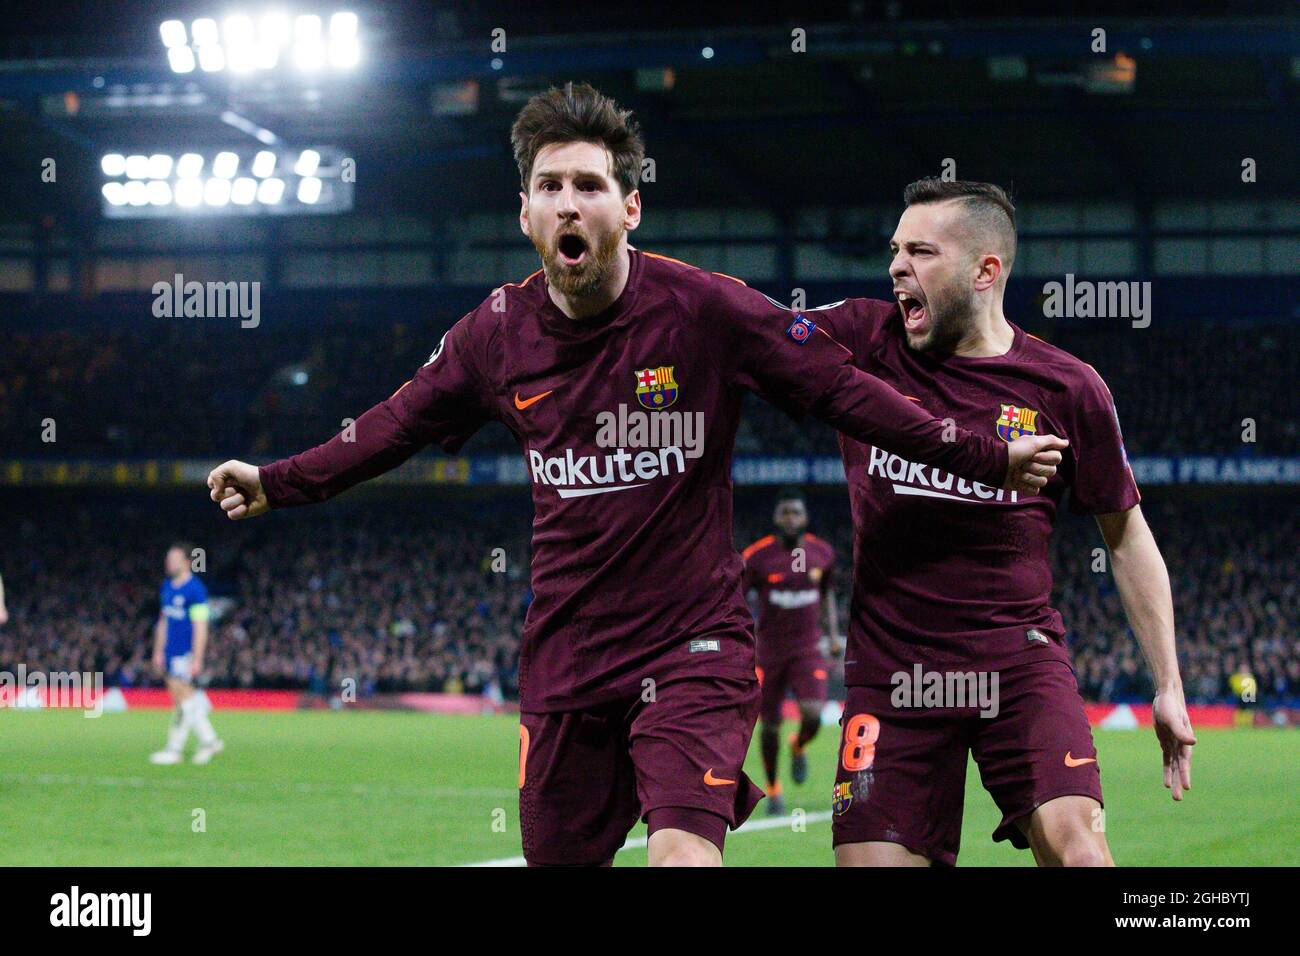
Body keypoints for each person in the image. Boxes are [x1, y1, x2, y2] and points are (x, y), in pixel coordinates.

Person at [206, 85, 1064, 867]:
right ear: (525, 214)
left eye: (588, 185)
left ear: (630, 207)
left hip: (693, 648)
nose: (568, 203)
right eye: (550, 187)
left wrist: (984, 452)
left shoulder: (706, 309)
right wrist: (281, 481)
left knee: (683, 857)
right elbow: (391, 427)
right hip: (567, 662)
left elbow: (846, 392)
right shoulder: (494, 335)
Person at [812, 179, 1194, 866]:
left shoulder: (1067, 386)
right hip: (891, 673)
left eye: (922, 251)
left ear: (986, 270)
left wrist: (1167, 683)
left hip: (1017, 663)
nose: (897, 266)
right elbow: (748, 331)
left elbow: (1127, 534)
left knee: (1078, 850)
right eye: (895, 250)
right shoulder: (863, 340)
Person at [741, 489, 839, 815]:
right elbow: (738, 600)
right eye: (784, 513)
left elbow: (826, 594)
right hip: (769, 651)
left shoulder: (822, 553)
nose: (790, 519)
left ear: (805, 517)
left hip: (808, 647)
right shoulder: (756, 557)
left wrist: (834, 634)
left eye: (795, 513)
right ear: (775, 518)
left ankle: (798, 746)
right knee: (769, 726)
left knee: (812, 715)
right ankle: (774, 790)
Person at [149, 543, 223, 765]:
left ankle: (181, 748)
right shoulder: (167, 587)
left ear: (187, 562)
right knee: (182, 699)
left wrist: (197, 658)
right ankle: (205, 742)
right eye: (168, 558)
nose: (169, 562)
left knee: (183, 697)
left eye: (174, 558)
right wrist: (158, 651)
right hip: (170, 652)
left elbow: (201, 625)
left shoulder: (195, 589)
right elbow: (164, 621)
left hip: (185, 653)